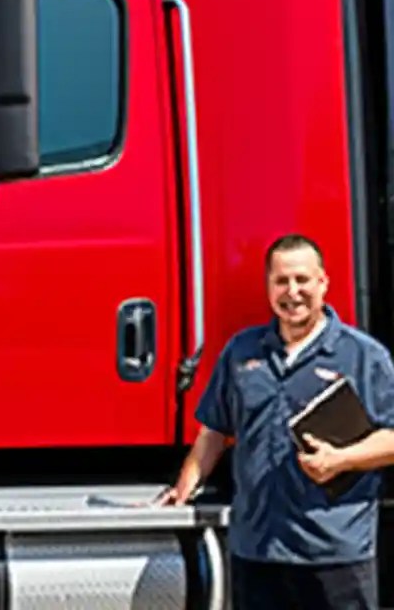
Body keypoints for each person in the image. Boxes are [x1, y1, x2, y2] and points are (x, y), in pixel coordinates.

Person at [161, 233, 394, 609]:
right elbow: (214, 432)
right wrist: (184, 487)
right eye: (281, 281)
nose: (293, 291)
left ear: (323, 282)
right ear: (268, 287)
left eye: (302, 279)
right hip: (258, 552)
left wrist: (340, 460)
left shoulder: (362, 356)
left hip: (334, 554)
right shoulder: (242, 352)